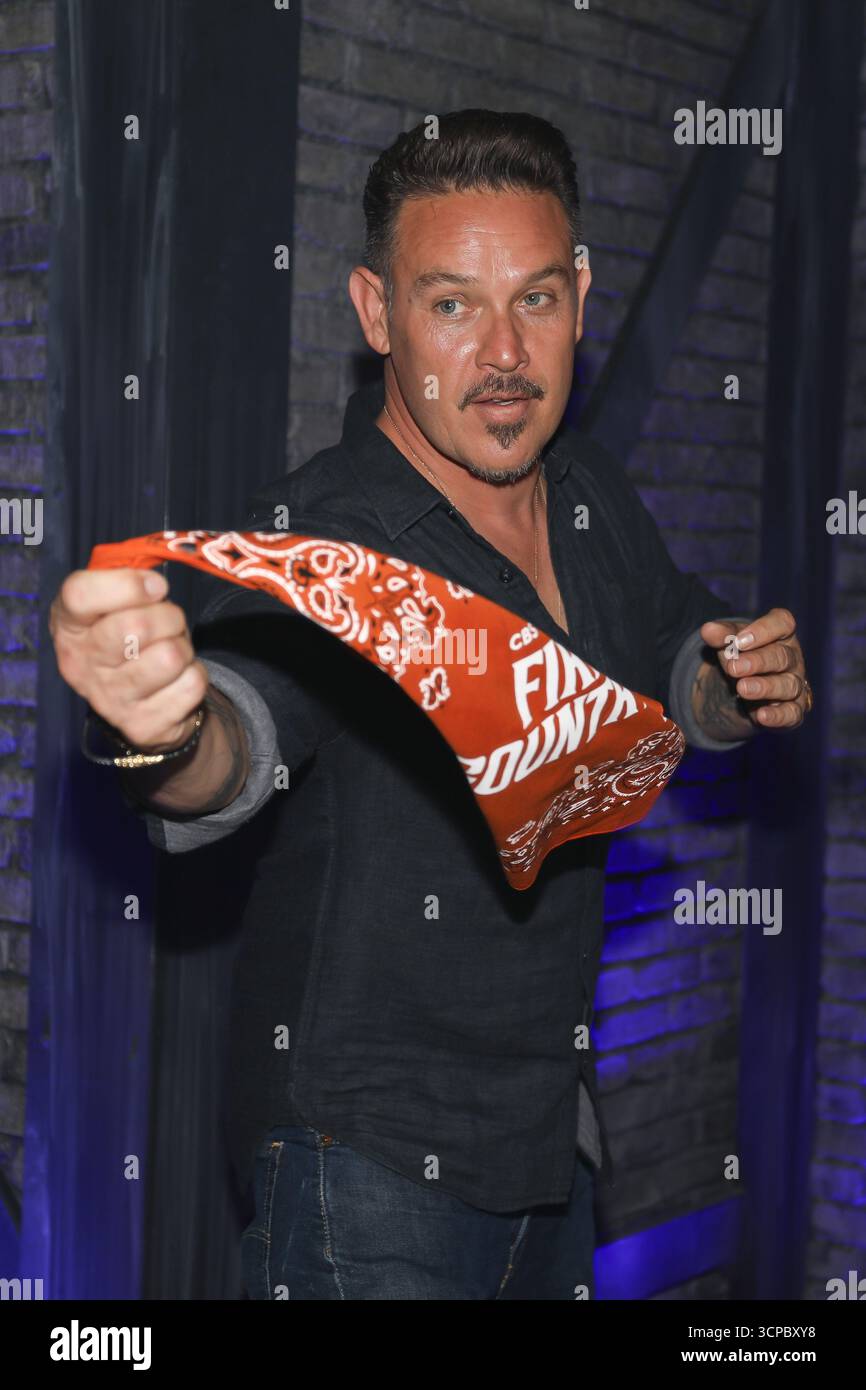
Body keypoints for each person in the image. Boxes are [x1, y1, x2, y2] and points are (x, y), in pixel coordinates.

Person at [49, 110, 811, 1300]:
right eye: (451, 305)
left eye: (538, 301)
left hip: (549, 1150)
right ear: (374, 313)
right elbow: (236, 744)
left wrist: (728, 680)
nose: (503, 355)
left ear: (584, 293)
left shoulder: (586, 491)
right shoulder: (327, 540)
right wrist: (161, 729)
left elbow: (670, 637)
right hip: (364, 1170)